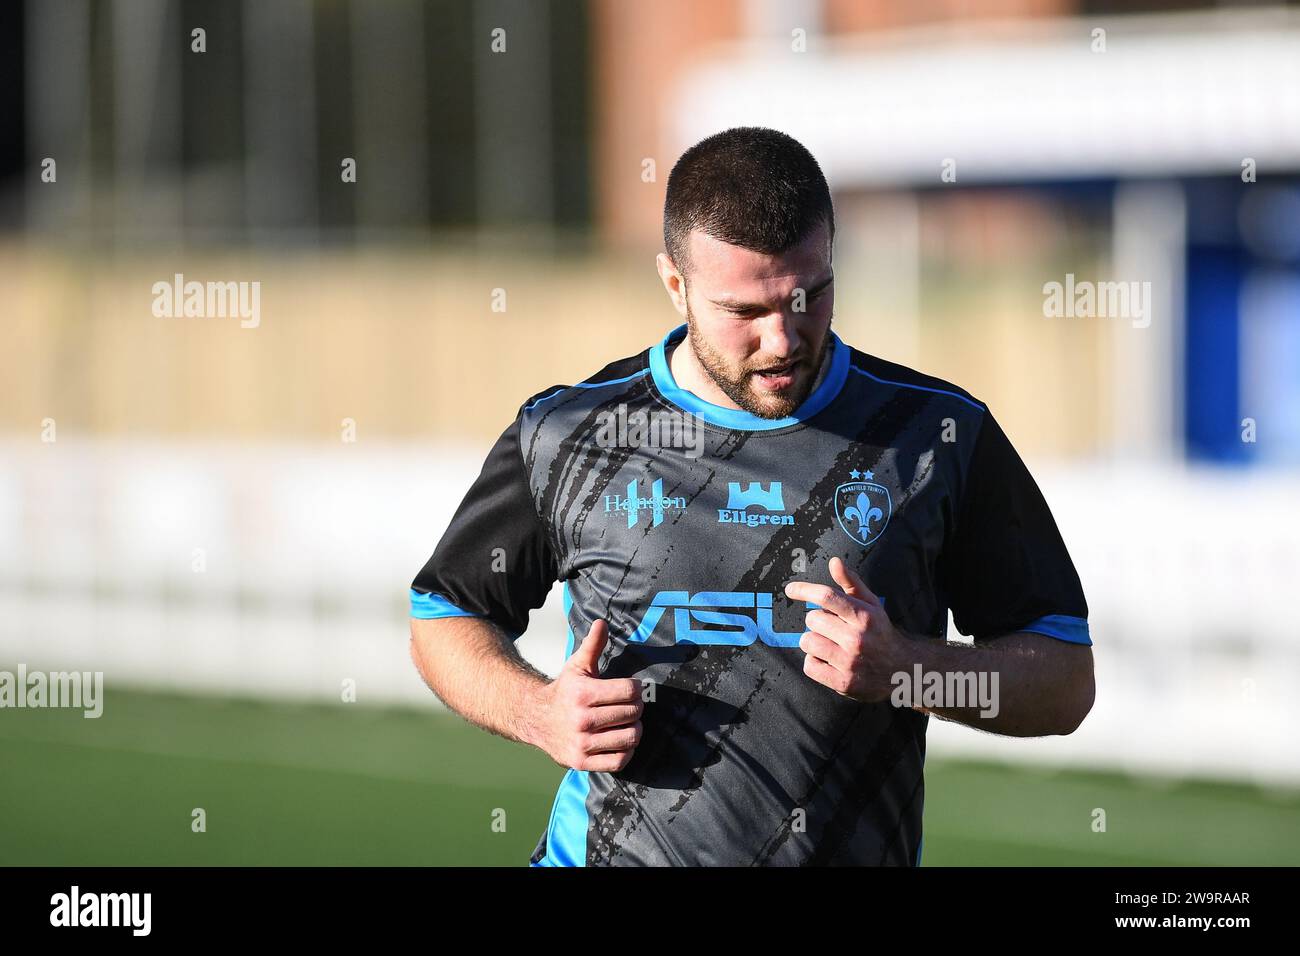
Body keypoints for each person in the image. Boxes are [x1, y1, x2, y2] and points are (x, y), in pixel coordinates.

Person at [409, 126, 1094, 866]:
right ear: (675, 285)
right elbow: (444, 614)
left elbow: (1063, 683)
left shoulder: (937, 436)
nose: (783, 339)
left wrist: (907, 670)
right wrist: (536, 711)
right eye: (745, 312)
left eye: (810, 297)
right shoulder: (572, 433)